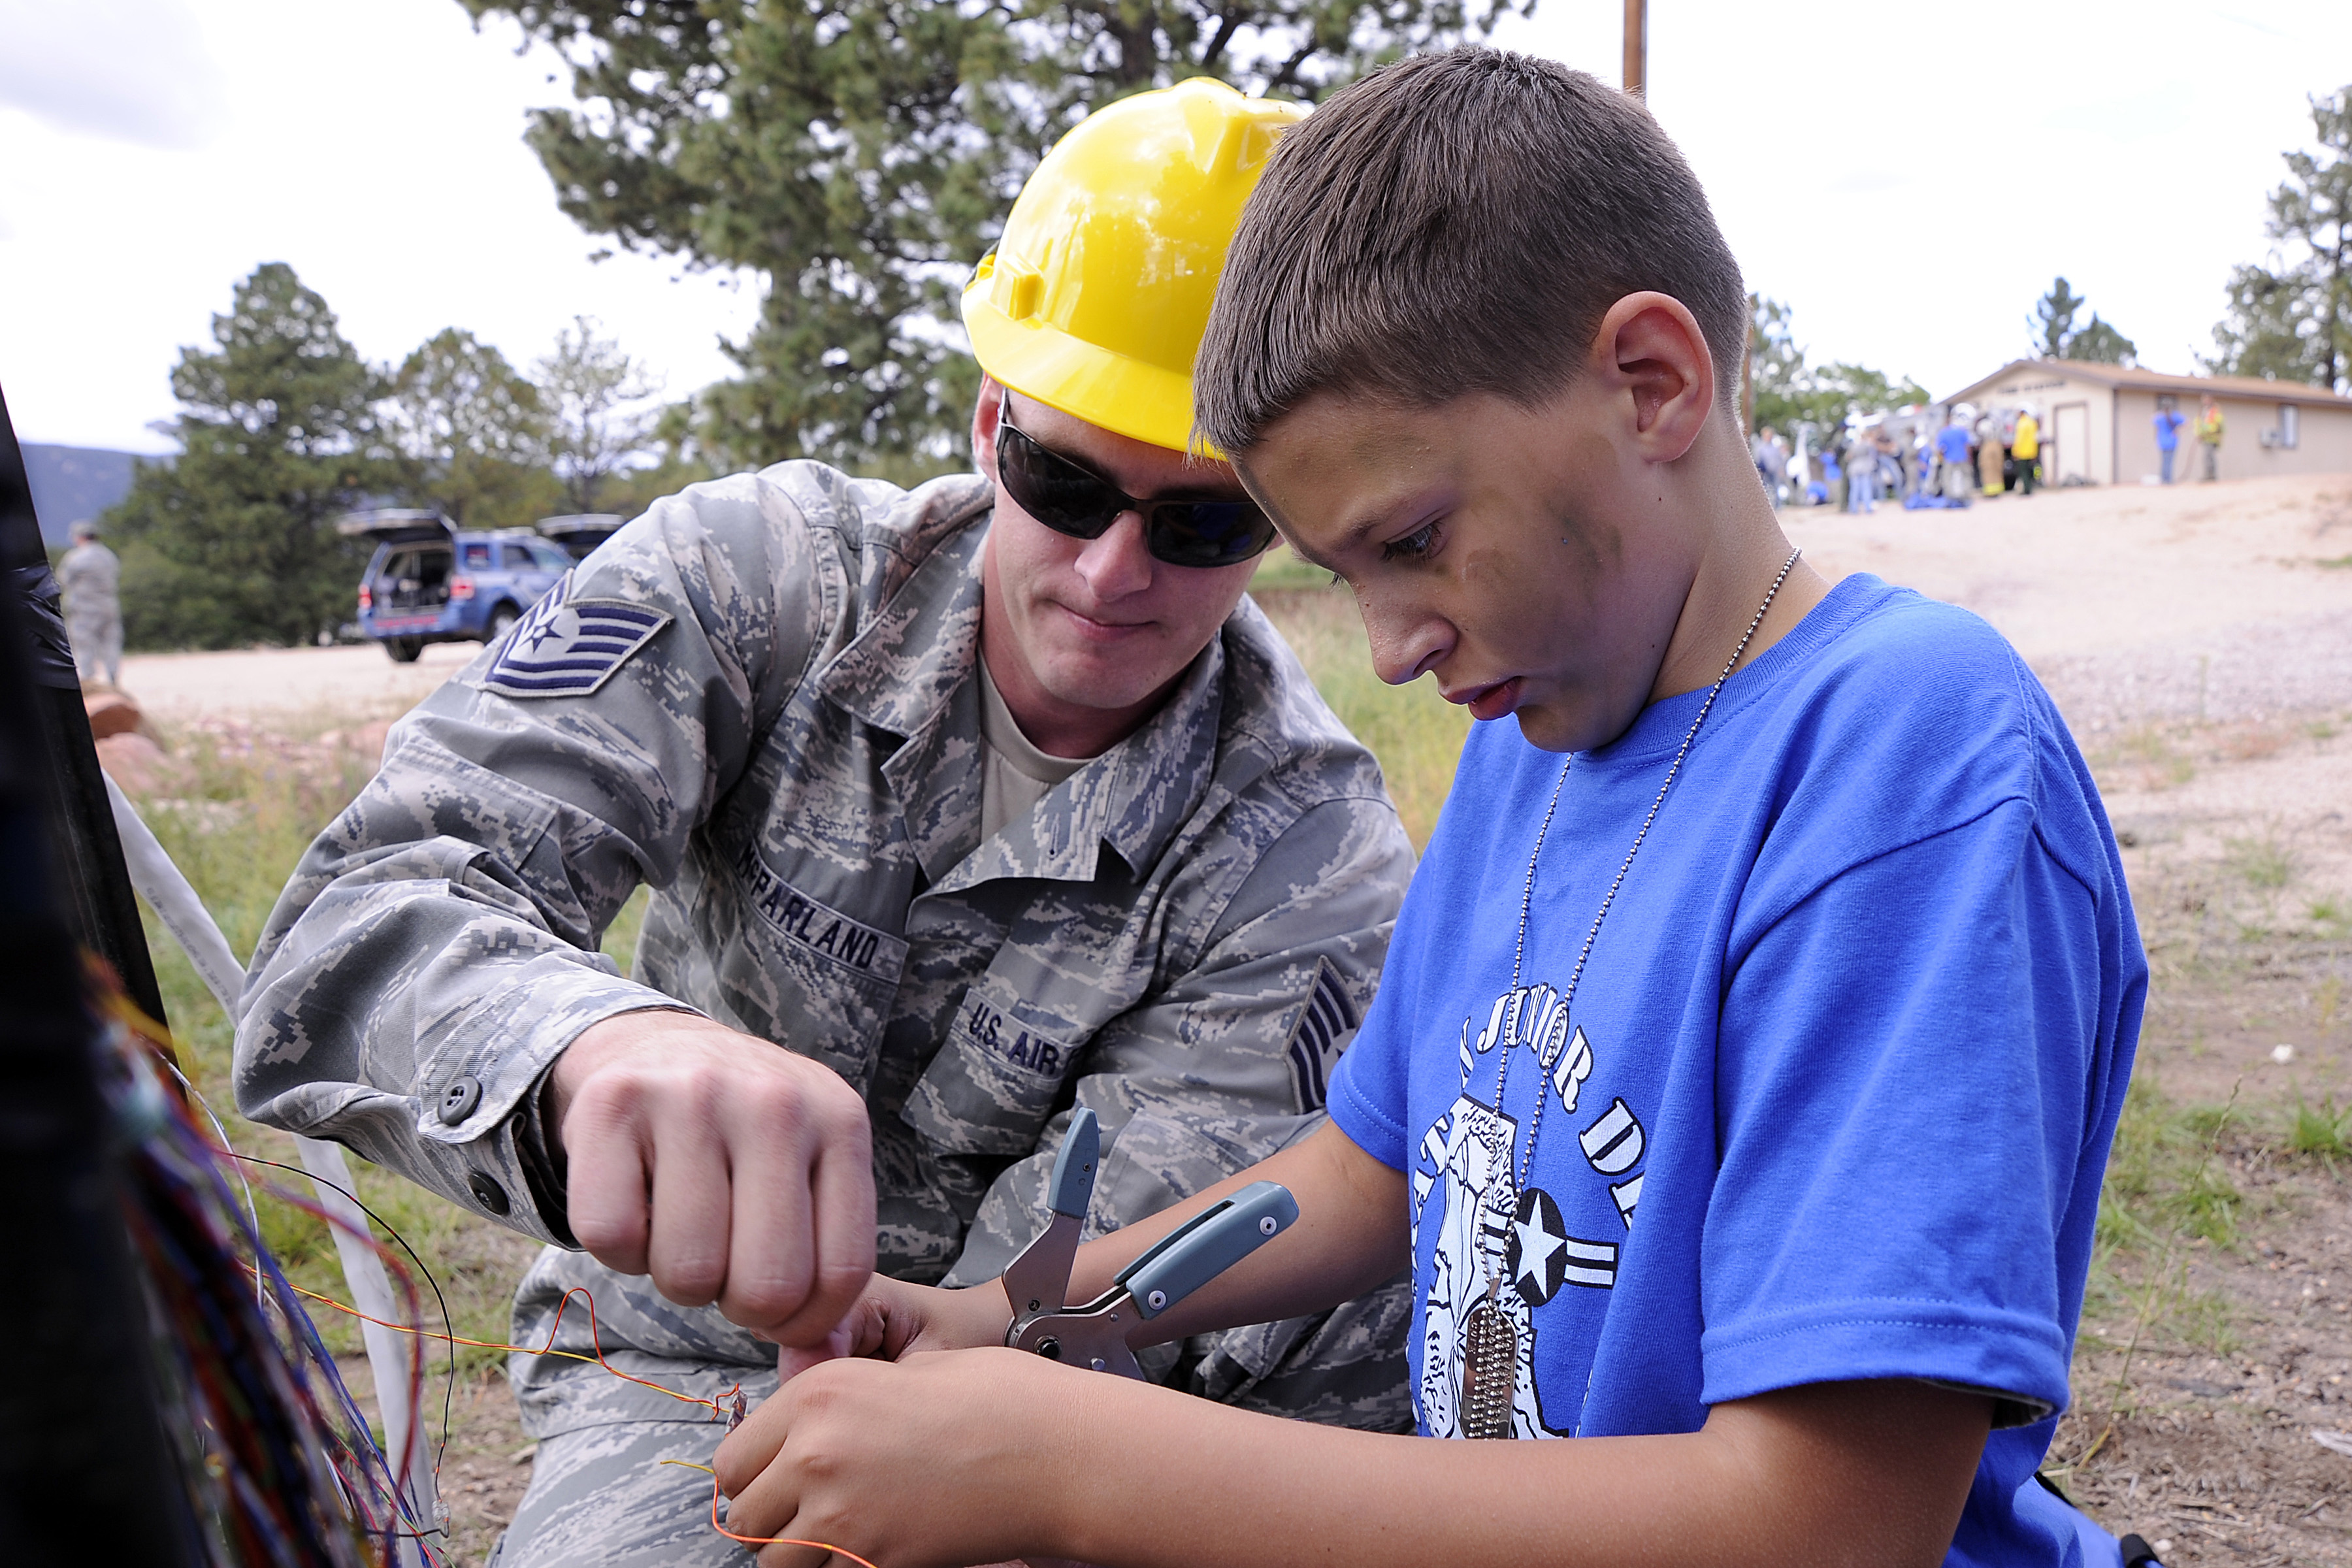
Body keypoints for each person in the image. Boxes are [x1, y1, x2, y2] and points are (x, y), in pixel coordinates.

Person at [710, 49, 2145, 1568]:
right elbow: (1378, 1166)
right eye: (1343, 574)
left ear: (1650, 381)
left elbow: (1826, 1516)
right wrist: (1021, 1314)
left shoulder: (1903, 758)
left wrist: (1074, 1461)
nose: (1391, 645)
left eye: (1417, 538)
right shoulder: (1538, 725)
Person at [234, 78, 1420, 1567]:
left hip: (1060, 1397)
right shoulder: (758, 577)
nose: (1116, 569)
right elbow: (351, 921)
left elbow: (1078, 1304)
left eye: (1201, 522)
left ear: (1281, 515)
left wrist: (969, 1434)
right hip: (691, 1363)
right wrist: (583, 1048)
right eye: (1063, 479)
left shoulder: (1302, 852)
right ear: (991, 423)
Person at [57, 519, 122, 685]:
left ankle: (88, 681)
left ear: (79, 537)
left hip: (84, 609)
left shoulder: (76, 557)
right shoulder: (109, 556)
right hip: (109, 606)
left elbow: (63, 579)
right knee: (110, 644)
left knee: (84, 644)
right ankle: (113, 679)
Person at [1935, 410, 1975, 505]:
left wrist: (1941, 459)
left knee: (1947, 478)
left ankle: (1950, 497)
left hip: (1949, 458)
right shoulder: (1962, 431)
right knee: (1966, 477)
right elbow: (1967, 445)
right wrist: (1969, 457)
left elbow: (1940, 449)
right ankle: (1966, 496)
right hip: (1962, 457)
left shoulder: (1943, 433)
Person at [2153, 395, 2185, 484]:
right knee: (2169, 461)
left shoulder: (2159, 416)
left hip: (2162, 442)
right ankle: (2169, 480)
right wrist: (2178, 430)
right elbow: (2187, 422)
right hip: (2172, 442)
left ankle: (2164, 479)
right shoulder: (2175, 416)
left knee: (2164, 461)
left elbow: (2153, 420)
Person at [2012, 405, 2041, 495]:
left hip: (2022, 452)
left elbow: (2019, 439)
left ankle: (2026, 490)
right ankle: (2030, 488)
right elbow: (2035, 438)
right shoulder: (2032, 423)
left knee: (2024, 472)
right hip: (2032, 451)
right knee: (2030, 471)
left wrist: (2015, 451)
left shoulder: (2021, 423)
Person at [2197, 395, 2226, 481]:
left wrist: (2207, 432)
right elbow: (2199, 423)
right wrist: (2199, 434)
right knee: (2206, 457)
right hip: (2205, 438)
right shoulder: (2203, 411)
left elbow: (2217, 425)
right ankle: (2208, 475)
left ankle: (2211, 476)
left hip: (2212, 438)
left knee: (2210, 457)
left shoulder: (2215, 411)